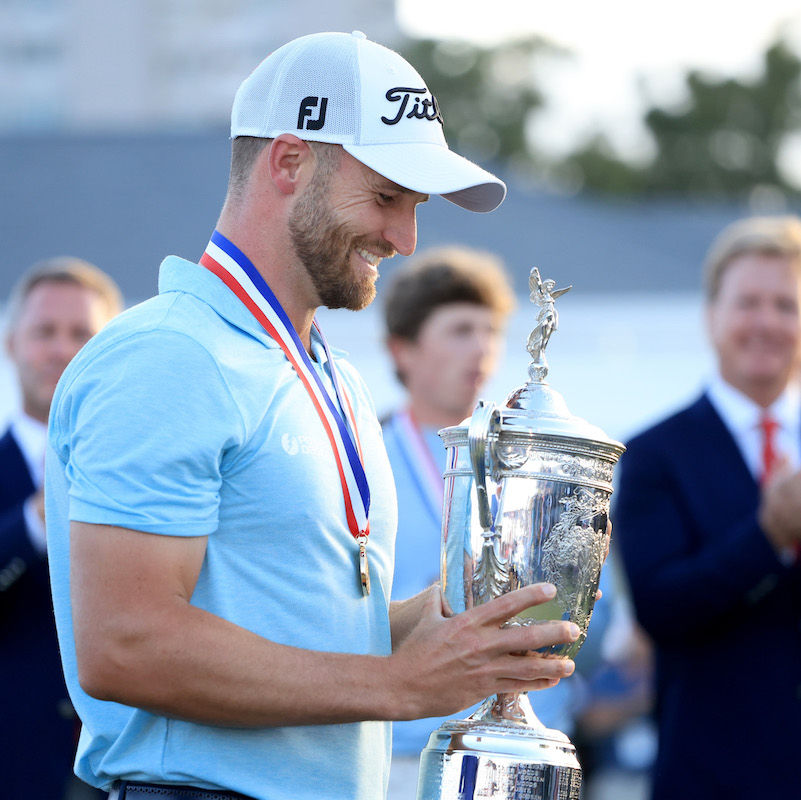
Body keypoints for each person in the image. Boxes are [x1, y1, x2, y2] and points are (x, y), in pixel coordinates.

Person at [45, 31, 582, 800]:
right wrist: (399, 685)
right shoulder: (169, 356)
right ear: (290, 161)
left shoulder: (327, 374)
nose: (405, 238)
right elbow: (126, 644)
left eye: (415, 206)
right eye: (385, 196)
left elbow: (296, 631)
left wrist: (445, 618)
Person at [614, 215, 801, 800]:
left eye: (785, 304)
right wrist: (767, 535)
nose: (767, 321)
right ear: (711, 316)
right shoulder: (654, 455)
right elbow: (659, 607)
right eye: (748, 302)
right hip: (712, 773)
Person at [1, 257, 122, 800]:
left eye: (82, 334)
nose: (61, 350)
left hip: (127, 769)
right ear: (10, 344)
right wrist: (34, 519)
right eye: (44, 332)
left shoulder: (148, 478)